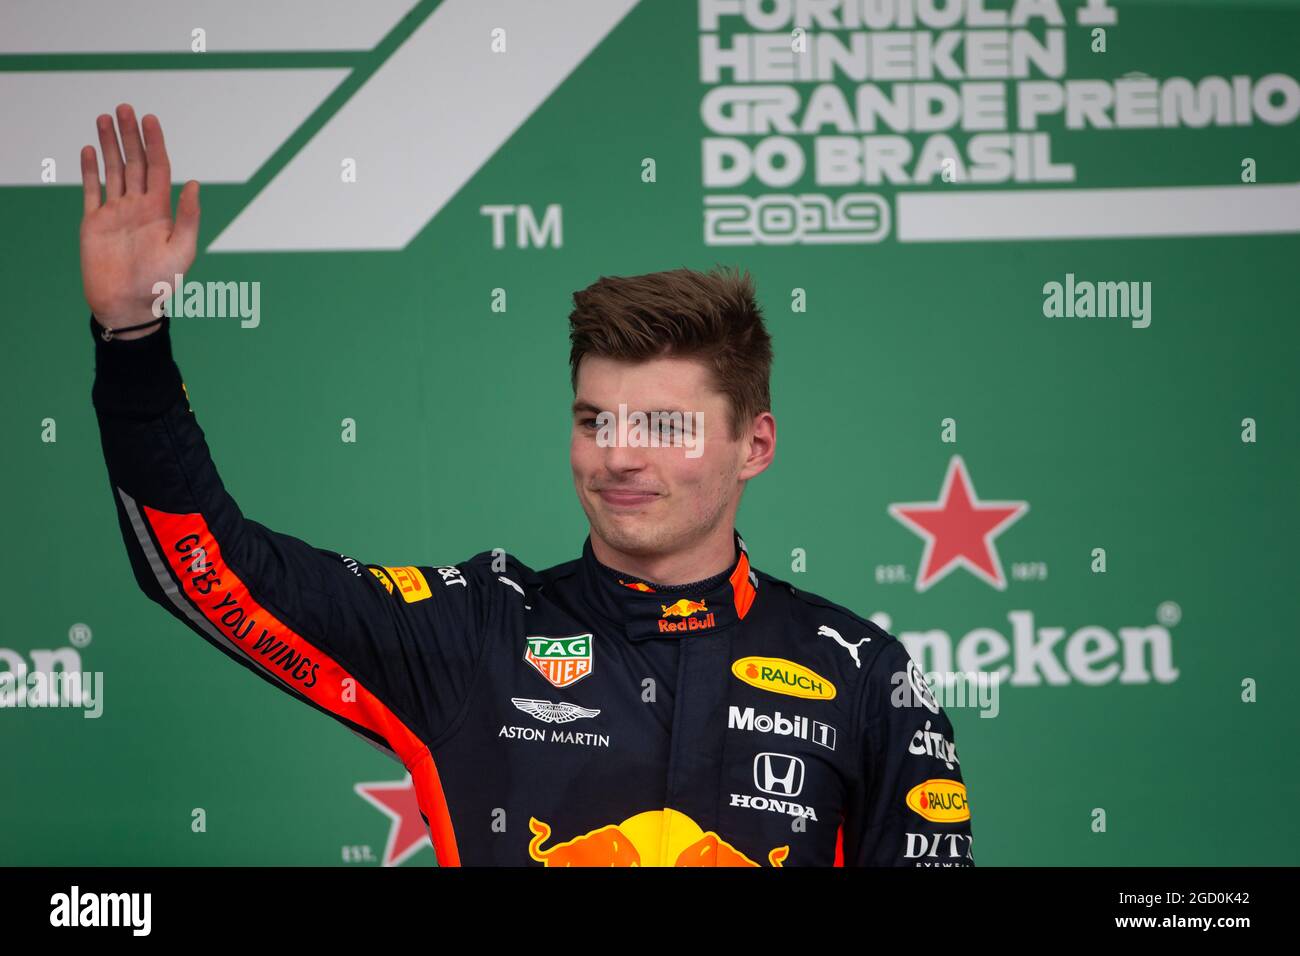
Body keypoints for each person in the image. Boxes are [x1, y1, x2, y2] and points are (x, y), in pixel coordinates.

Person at [81, 103, 974, 867]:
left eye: (663, 426)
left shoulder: (864, 677)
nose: (619, 456)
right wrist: (132, 339)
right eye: (595, 421)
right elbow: (210, 571)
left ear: (755, 444)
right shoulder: (478, 633)